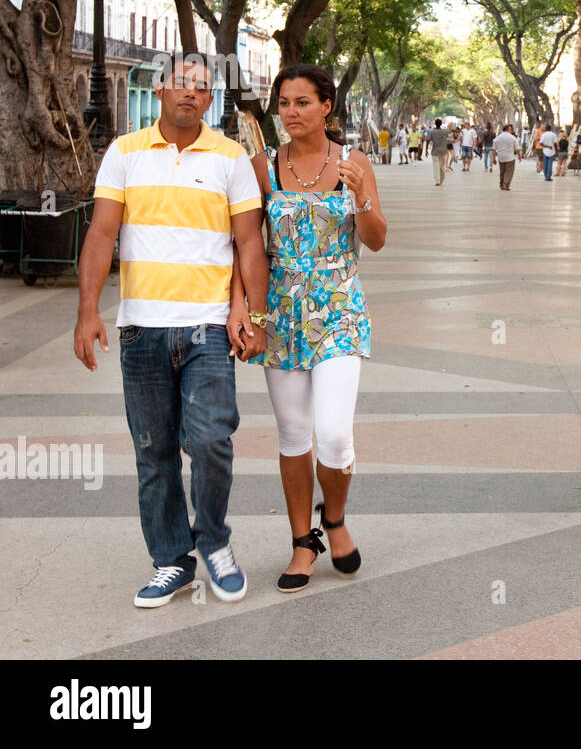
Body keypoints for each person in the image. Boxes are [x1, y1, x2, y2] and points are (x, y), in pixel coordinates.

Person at [74, 56, 269, 607]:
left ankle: (213, 540)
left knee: (211, 440)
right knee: (152, 451)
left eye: (203, 88)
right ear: (160, 90)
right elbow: (101, 233)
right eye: (181, 83)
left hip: (207, 326)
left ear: (211, 101)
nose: (191, 94)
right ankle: (171, 559)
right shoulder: (124, 153)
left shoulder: (230, 159)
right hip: (140, 331)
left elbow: (249, 243)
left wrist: (254, 315)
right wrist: (88, 311)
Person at [241, 64, 388, 593]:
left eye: (302, 102)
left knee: (333, 433)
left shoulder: (354, 162)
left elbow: (375, 239)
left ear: (327, 106)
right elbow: (247, 245)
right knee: (292, 435)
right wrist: (248, 313)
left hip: (340, 311)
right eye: (283, 103)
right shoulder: (262, 166)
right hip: (281, 315)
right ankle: (303, 543)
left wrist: (361, 195)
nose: (290, 113)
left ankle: (337, 516)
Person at [493, 123, 520, 189]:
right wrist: (519, 156)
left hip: (501, 157)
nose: (511, 130)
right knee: (509, 171)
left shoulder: (498, 138)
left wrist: (494, 158)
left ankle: (501, 184)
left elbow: (493, 149)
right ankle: (506, 183)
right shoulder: (513, 138)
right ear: (508, 129)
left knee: (502, 171)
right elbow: (517, 148)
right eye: (511, 129)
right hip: (510, 157)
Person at [428, 118, 449, 185]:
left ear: (435, 124)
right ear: (441, 124)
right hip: (443, 151)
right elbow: (453, 131)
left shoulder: (432, 131)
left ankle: (437, 180)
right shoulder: (444, 131)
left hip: (435, 151)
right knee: (441, 166)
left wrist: (425, 150)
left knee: (436, 166)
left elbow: (428, 140)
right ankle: (442, 179)